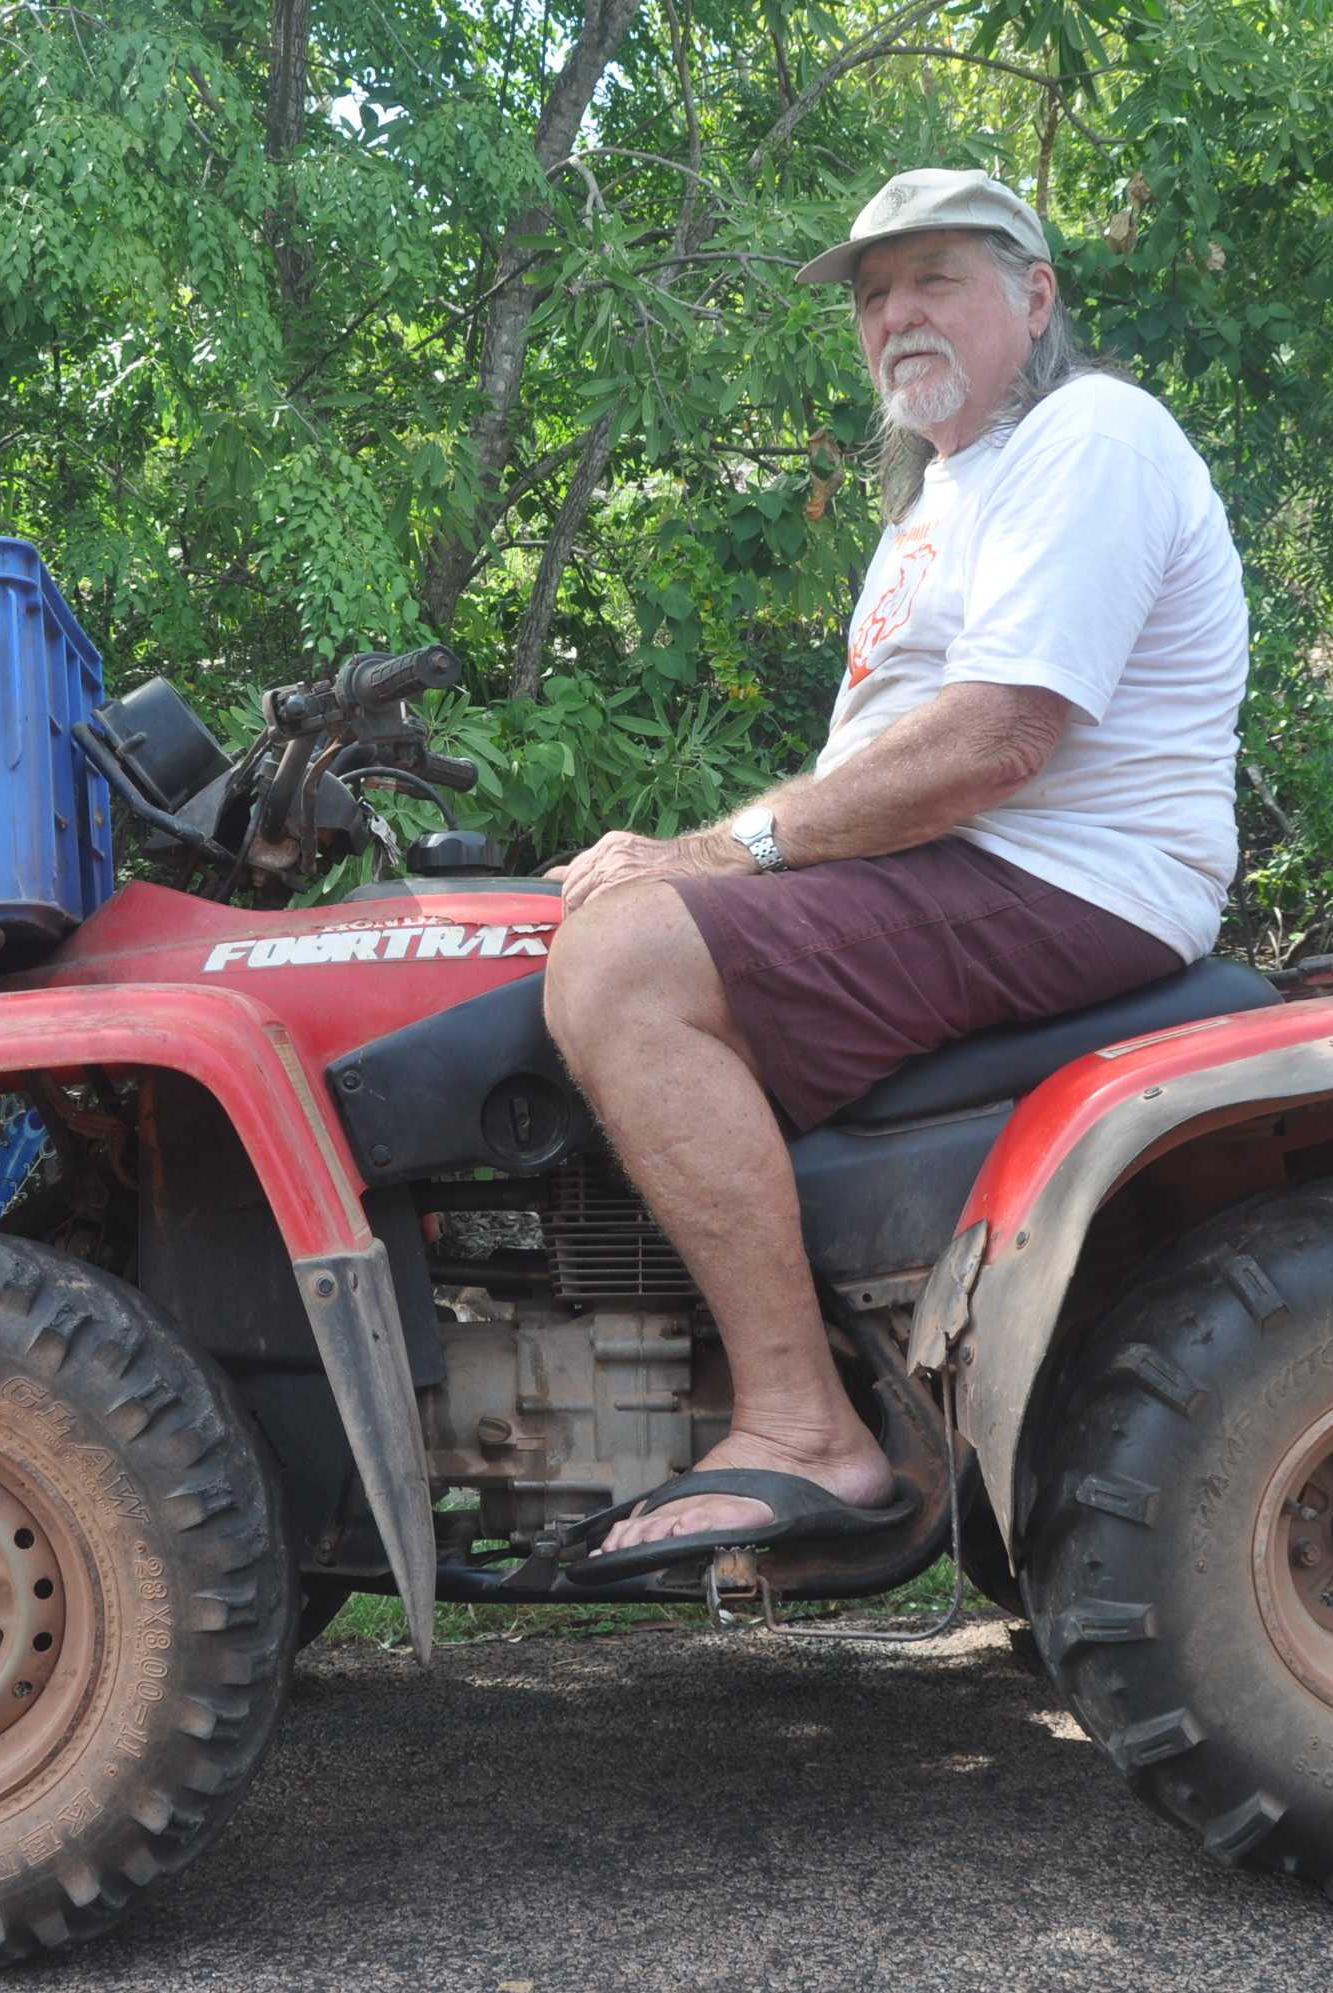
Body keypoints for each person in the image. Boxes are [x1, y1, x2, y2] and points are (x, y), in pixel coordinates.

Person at [540, 167, 1249, 1573]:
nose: (895, 314)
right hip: (977, 867)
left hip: (1059, 871)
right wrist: (715, 863)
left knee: (622, 958)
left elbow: (995, 741)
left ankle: (802, 1426)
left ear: (1034, 297)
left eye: (936, 279)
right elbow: (884, 770)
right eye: (874, 296)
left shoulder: (1090, 435)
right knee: (558, 924)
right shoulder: (943, 492)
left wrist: (717, 853)